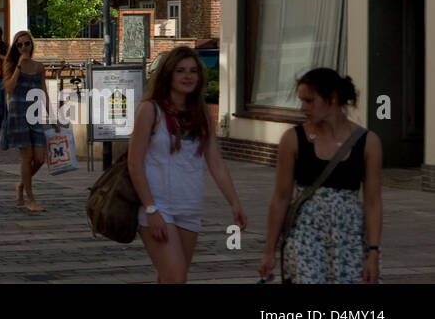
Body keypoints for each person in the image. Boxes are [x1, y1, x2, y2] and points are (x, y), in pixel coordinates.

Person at [128, 45, 246, 284]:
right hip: (159, 206)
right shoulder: (150, 110)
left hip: (190, 206)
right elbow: (134, 163)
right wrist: (151, 209)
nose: (187, 76)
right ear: (168, 74)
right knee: (176, 277)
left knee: (170, 277)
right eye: (180, 70)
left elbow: (216, 163)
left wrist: (234, 202)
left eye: (193, 71)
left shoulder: (200, 113)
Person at [258, 69, 382, 284]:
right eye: (301, 100)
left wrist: (373, 252)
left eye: (309, 101)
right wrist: (269, 250)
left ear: (332, 99)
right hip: (306, 232)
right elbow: (281, 197)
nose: (303, 108)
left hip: (349, 236)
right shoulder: (293, 139)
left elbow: (372, 202)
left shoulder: (368, 142)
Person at [1, 31, 55, 213]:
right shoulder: (11, 64)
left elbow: (44, 93)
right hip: (17, 114)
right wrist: (18, 66)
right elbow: (9, 88)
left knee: (40, 158)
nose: (23, 47)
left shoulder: (39, 67)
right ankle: (31, 199)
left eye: (26, 43)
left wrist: (53, 118)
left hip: (35, 114)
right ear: (15, 48)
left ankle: (21, 185)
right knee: (27, 157)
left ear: (32, 45)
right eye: (19, 44)